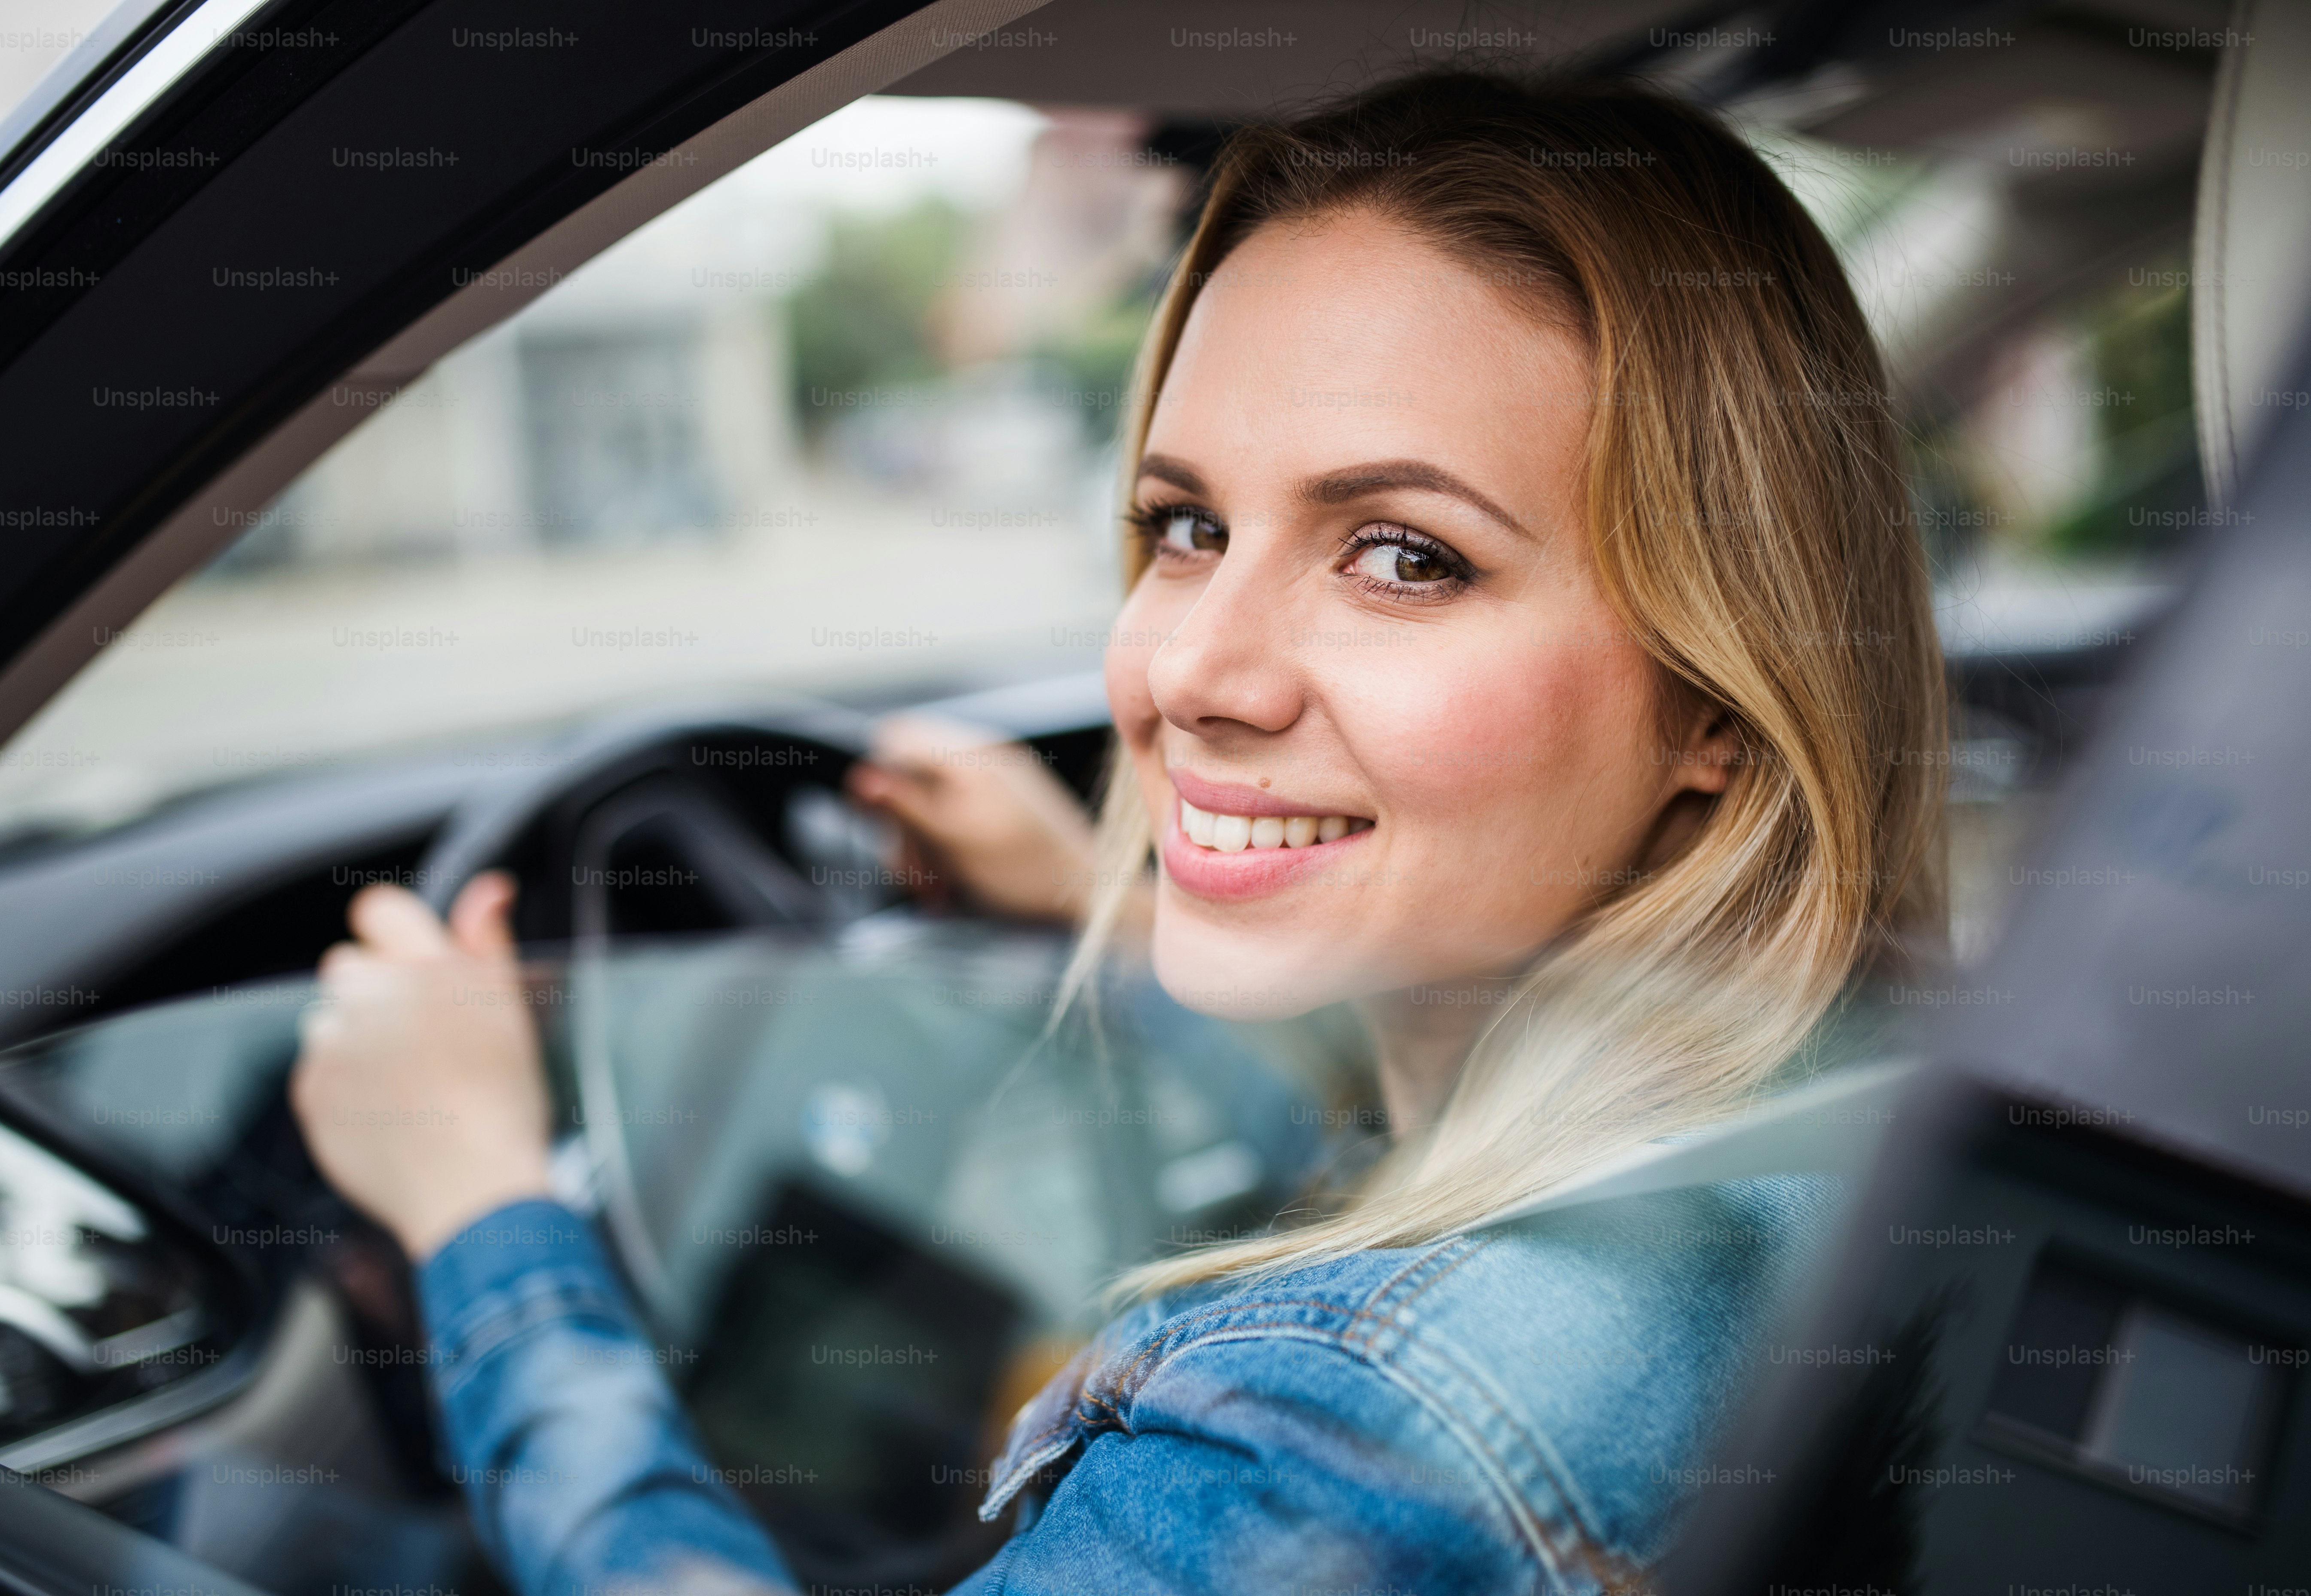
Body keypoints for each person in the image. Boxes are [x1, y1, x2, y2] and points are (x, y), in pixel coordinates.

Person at [291, 70, 1946, 1595]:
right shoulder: (1864, 1120)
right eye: (1186, 526)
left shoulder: (1350, 1413)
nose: (1190, 675)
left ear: (1722, 699)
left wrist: (482, 1216)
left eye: (1404, 557)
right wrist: (1102, 903)